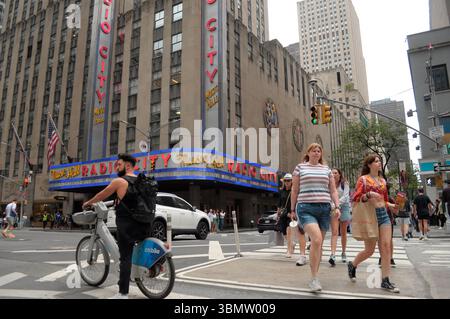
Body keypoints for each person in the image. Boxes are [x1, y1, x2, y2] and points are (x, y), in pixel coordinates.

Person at [83, 153, 152, 299]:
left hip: (127, 224)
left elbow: (102, 195)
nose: (117, 167)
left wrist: (88, 203)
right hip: (145, 223)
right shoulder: (143, 181)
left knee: (125, 257)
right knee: (137, 249)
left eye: (119, 164)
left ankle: (122, 293)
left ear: (127, 165)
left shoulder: (119, 181)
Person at [291, 143, 341, 292]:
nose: (317, 153)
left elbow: (333, 191)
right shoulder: (300, 168)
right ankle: (314, 279)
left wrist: (337, 206)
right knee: (317, 239)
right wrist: (292, 209)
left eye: (319, 151)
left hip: (324, 209)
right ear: (308, 152)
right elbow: (294, 190)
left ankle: (315, 277)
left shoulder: (326, 169)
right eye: (314, 150)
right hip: (305, 208)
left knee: (318, 245)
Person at [347, 154, 400, 293]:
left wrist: (391, 206)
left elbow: (383, 199)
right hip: (369, 216)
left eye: (379, 161)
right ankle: (352, 265)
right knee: (369, 251)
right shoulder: (363, 180)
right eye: (376, 161)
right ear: (369, 164)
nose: (379, 163)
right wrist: (369, 194)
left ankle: (385, 280)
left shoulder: (383, 181)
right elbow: (357, 198)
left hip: (383, 215)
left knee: (386, 247)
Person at [277, 174, 307, 263]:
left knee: (288, 231)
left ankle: (289, 250)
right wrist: (278, 212)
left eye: (289, 180)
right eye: (285, 180)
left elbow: (298, 202)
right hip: (283, 214)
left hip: (292, 214)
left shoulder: (295, 191)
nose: (287, 182)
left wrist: (294, 212)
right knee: (284, 232)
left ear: (292, 181)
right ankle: (292, 244)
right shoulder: (281, 191)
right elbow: (279, 203)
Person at [329, 168, 351, 266]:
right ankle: (332, 254)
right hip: (334, 207)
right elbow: (328, 196)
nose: (333, 174)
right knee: (334, 232)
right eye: (332, 173)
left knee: (343, 232)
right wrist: (333, 205)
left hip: (344, 207)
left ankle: (343, 252)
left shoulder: (344, 183)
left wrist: (337, 204)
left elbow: (346, 196)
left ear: (339, 174)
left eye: (335, 173)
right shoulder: (328, 184)